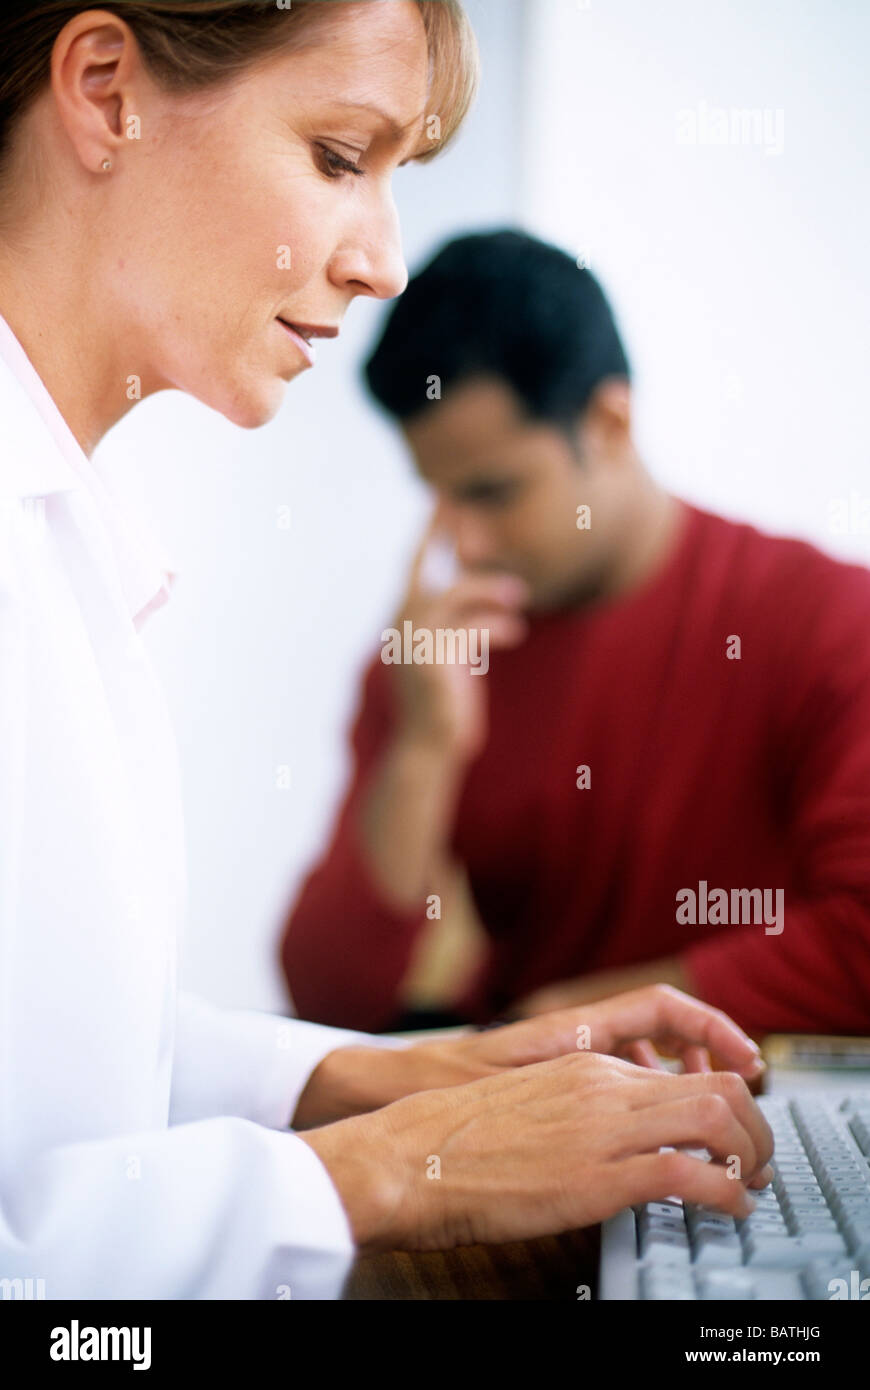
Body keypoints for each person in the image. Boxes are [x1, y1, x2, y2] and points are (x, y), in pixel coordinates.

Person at [0, 1, 772, 1301]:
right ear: (103, 88)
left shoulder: (65, 528)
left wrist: (407, 1073)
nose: (383, 264)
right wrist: (391, 1167)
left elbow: (71, 1058)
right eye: (337, 157)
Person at [282, 229, 870, 1038]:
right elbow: (329, 1004)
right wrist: (422, 747)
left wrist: (572, 1024)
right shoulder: (441, 660)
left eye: (493, 491)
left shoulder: (827, 622)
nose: (465, 541)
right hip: (521, 1120)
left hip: (736, 1116)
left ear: (608, 423)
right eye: (439, 495)